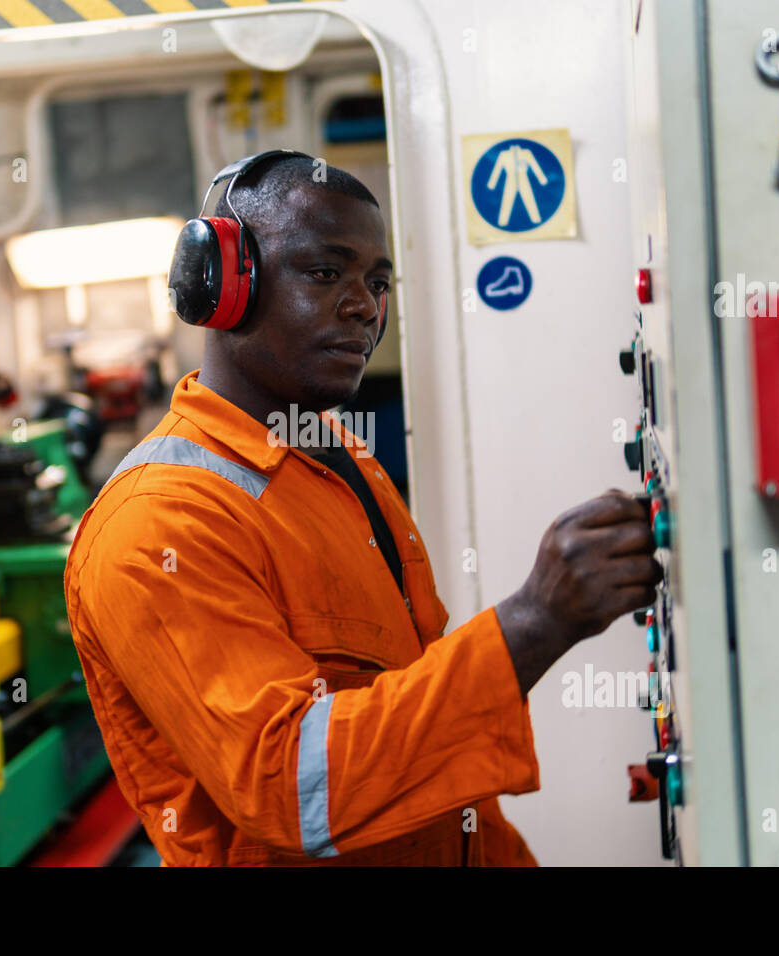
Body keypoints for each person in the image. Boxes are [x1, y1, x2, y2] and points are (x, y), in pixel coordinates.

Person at [64, 152, 662, 865]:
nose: (364, 306)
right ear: (221, 287)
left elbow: (413, 733)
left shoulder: (336, 459)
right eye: (325, 273)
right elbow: (292, 787)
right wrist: (533, 621)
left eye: (378, 282)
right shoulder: (159, 522)